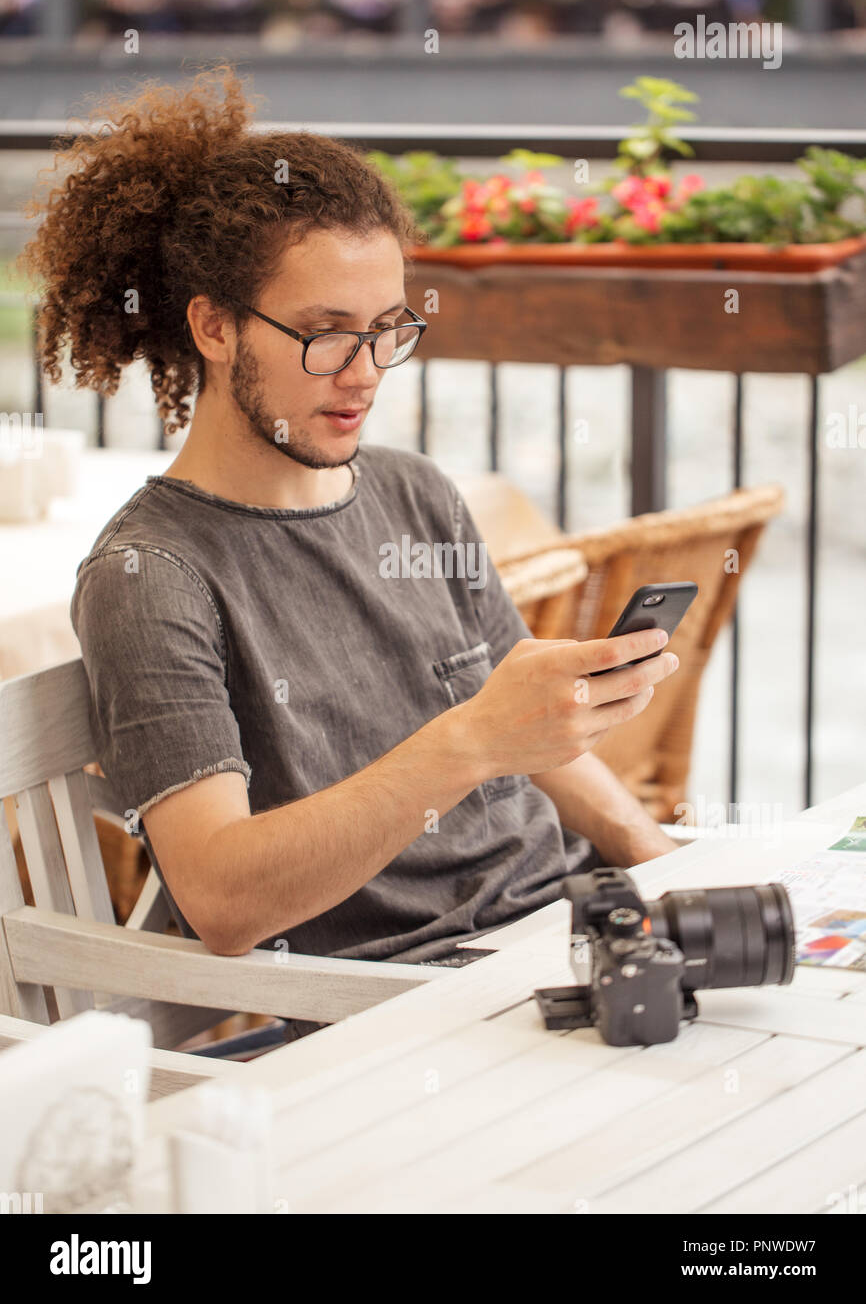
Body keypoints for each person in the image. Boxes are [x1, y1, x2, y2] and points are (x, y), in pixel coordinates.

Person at [22, 68, 680, 1021]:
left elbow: (530, 741)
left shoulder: (415, 492)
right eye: (327, 334)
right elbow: (222, 897)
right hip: (407, 1007)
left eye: (386, 330)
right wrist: (465, 744)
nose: (366, 373)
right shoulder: (150, 575)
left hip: (573, 936)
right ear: (213, 325)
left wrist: (661, 859)